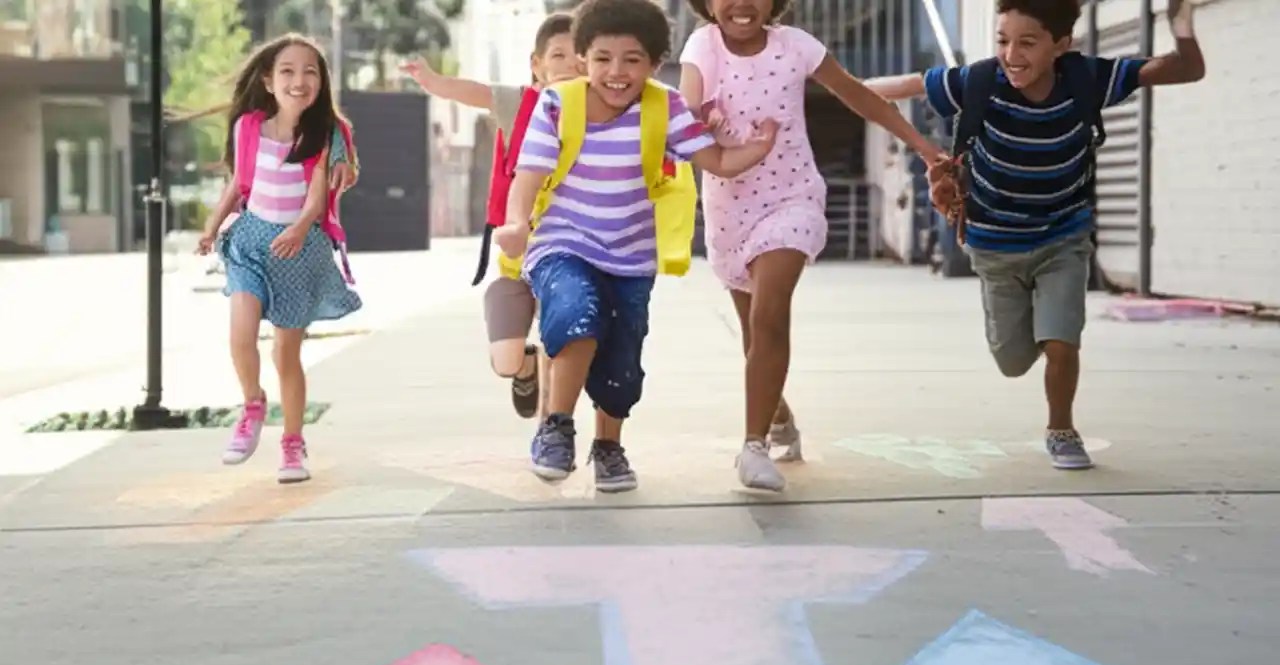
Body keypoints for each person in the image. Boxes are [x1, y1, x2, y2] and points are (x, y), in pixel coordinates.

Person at [866, 0, 1205, 469]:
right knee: (1013, 361)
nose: (1011, 54)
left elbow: (1188, 69)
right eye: (1003, 40)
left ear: (1060, 46)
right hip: (994, 245)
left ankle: (1061, 430)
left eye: (1027, 43)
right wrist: (813, 79)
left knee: (1062, 342)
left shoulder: (1088, 78)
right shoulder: (979, 81)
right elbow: (894, 88)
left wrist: (1181, 25)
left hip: (1062, 237)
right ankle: (1033, 329)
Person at [492, 0, 779, 492]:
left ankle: (609, 448)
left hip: (630, 255)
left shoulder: (663, 106)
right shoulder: (558, 103)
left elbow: (715, 160)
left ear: (654, 64)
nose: (616, 72)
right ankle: (556, 427)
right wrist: (517, 222)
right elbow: (530, 172)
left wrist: (758, 147)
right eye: (602, 58)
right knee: (577, 314)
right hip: (562, 243)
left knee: (622, 358)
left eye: (632, 60)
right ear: (582, 58)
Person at [678, 0, 949, 490]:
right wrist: (700, 123)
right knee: (752, 334)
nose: (742, 4)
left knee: (769, 314)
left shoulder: (797, 47)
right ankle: (778, 415)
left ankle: (754, 446)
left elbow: (859, 97)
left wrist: (924, 146)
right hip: (730, 210)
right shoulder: (702, 45)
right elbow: (685, 109)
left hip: (793, 200)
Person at [197, 33, 364, 483]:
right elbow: (236, 186)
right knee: (240, 335)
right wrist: (213, 227)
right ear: (269, 81)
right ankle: (252, 405)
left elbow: (314, 200)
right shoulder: (248, 127)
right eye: (288, 71)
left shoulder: (323, 134)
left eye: (310, 71)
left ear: (321, 82)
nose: (299, 80)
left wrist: (298, 228)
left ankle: (292, 444)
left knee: (287, 356)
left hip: (299, 248)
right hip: (252, 242)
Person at [401, 13, 578, 420]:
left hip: (571, 248)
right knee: (505, 359)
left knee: (562, 340)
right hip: (518, 251)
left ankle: (552, 429)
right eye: (559, 55)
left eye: (580, 56)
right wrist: (434, 82)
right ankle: (524, 366)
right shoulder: (521, 103)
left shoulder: (600, 106)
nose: (570, 65)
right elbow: (477, 92)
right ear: (537, 64)